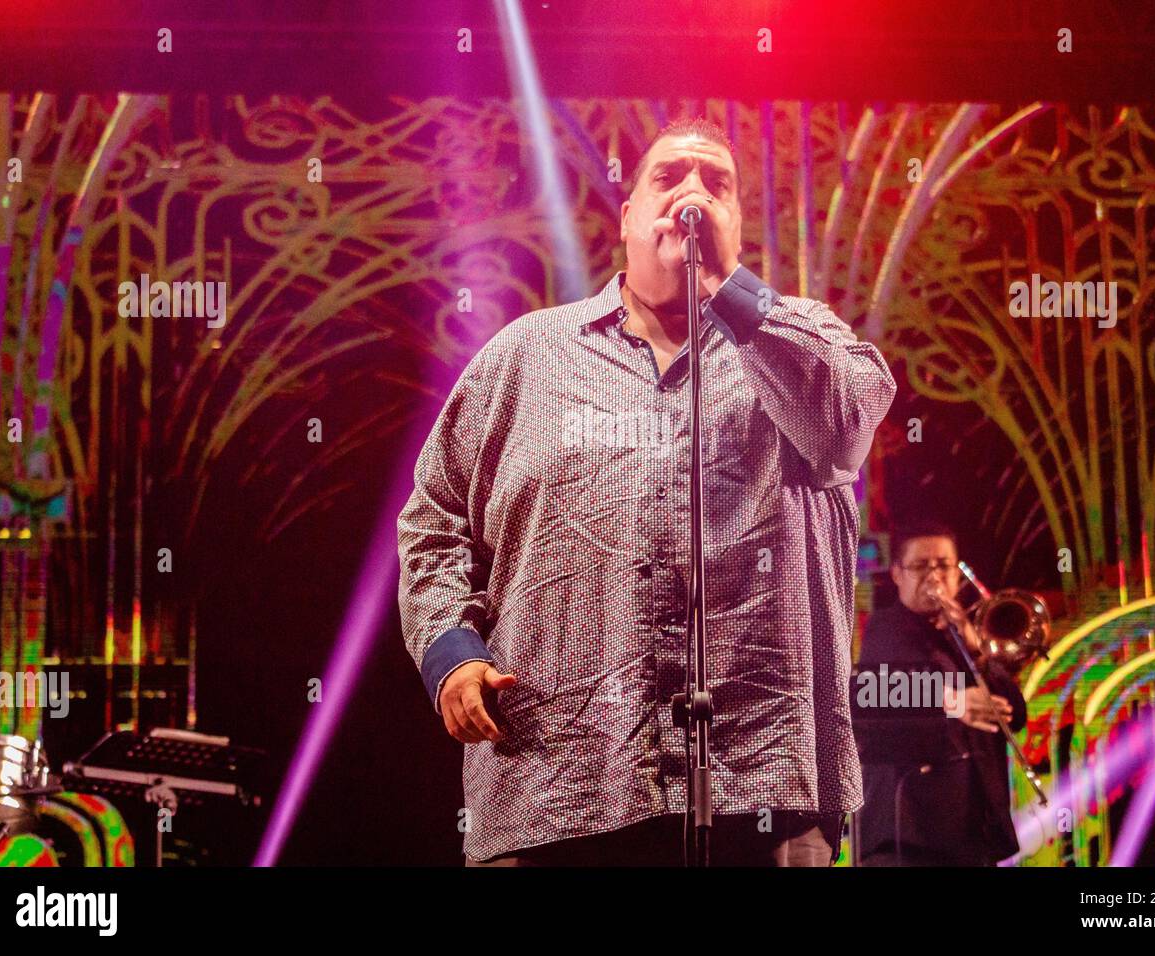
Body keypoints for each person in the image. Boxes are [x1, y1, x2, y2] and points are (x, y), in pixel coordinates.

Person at [396, 117, 896, 865]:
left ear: (735, 223)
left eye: (716, 184)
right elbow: (435, 519)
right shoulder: (524, 357)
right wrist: (451, 651)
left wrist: (728, 291)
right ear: (627, 216)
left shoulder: (805, 336)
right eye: (668, 178)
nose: (691, 193)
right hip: (556, 786)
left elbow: (842, 427)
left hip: (763, 785)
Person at [854, 520, 1028, 866]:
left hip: (973, 836)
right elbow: (871, 694)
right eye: (921, 566)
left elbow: (1015, 716)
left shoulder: (964, 636)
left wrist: (977, 648)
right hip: (908, 835)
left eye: (944, 566)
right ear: (897, 574)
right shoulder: (886, 629)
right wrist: (952, 701)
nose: (935, 577)